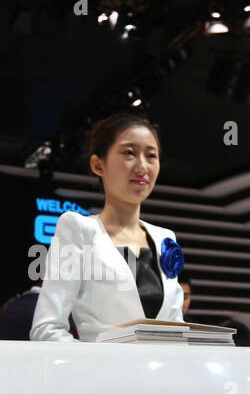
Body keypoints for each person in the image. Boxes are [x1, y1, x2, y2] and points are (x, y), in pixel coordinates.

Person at [30, 112, 184, 341]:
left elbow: (175, 327)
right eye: (129, 153)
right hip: (101, 374)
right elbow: (46, 329)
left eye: (151, 156)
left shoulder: (165, 239)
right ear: (97, 164)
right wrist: (97, 367)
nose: (142, 166)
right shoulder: (78, 229)